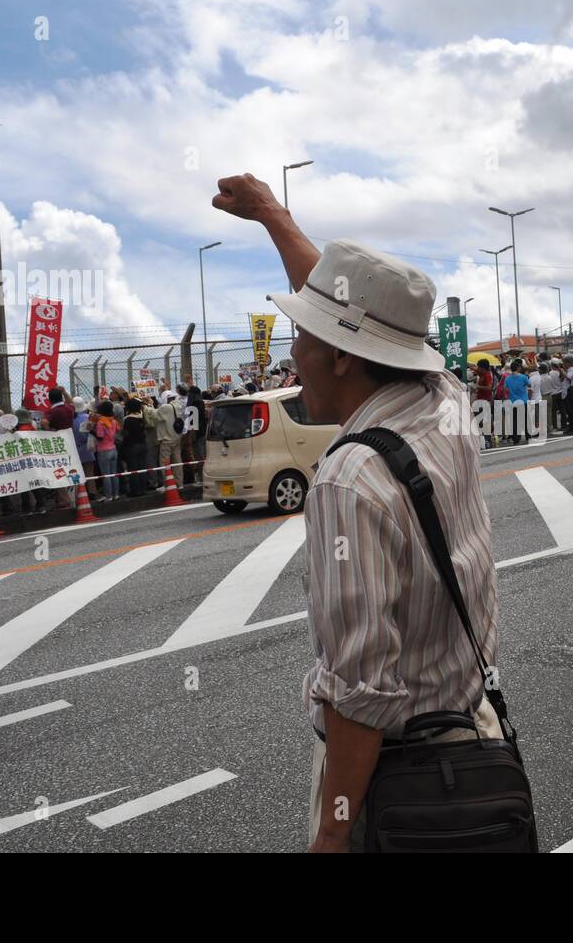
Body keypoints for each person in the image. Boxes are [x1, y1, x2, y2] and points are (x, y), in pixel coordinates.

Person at [212, 171, 502, 853]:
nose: (292, 357)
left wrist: (334, 829)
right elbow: (354, 311)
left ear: (342, 358)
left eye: (302, 340)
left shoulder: (350, 479)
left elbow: (364, 688)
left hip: (398, 779)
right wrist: (274, 217)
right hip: (471, 740)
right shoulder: (445, 398)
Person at [91, 400, 120, 501]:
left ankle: (108, 496)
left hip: (103, 450)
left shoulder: (101, 422)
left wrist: (91, 431)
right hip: (113, 448)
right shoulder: (114, 421)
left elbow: (100, 437)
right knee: (114, 473)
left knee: (106, 475)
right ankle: (116, 494)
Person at [121, 398, 149, 497]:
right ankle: (143, 489)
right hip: (143, 444)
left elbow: (126, 435)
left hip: (132, 446)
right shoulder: (141, 418)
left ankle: (135, 491)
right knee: (142, 468)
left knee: (133, 469)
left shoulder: (127, 419)